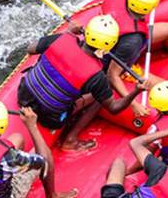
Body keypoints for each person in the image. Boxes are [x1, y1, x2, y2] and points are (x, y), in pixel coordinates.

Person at [17, 14, 150, 150]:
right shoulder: (97, 76)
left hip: (22, 95)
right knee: (102, 95)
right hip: (49, 118)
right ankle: (71, 141)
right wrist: (136, 90)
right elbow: (114, 108)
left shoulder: (61, 39)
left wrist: (68, 32)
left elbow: (30, 49)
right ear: (109, 45)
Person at [94, 0, 168, 117]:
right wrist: (134, 104)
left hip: (120, 39)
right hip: (116, 62)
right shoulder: (133, 40)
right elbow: (112, 75)